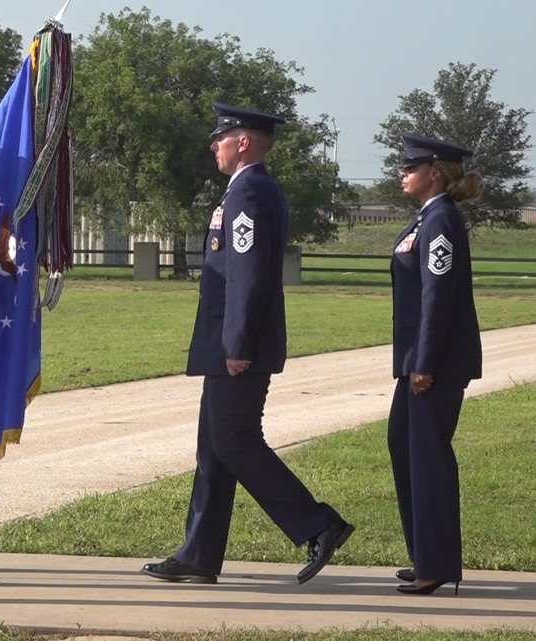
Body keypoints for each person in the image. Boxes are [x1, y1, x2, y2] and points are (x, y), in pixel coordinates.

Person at [141, 103, 354, 586]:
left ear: (243, 142)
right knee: (214, 449)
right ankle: (198, 553)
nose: (213, 144)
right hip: (226, 342)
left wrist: (236, 343)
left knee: (235, 442)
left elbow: (248, 274)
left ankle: (319, 524)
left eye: (221, 137)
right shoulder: (244, 192)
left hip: (237, 345)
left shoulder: (250, 193)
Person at [387, 133, 482, 596]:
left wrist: (424, 362)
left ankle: (437, 564)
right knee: (403, 447)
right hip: (415, 361)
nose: (403, 172)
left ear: (436, 174)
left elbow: (437, 297)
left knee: (428, 459)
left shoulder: (441, 220)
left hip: (435, 365)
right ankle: (426, 554)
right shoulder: (425, 219)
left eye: (412, 166)